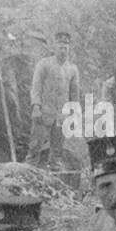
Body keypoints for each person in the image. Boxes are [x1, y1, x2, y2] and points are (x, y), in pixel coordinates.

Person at [28, 31, 81, 170]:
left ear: (69, 49)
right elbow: (36, 87)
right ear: (54, 47)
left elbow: (74, 95)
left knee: (57, 151)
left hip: (61, 116)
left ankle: (54, 175)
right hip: (44, 112)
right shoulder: (44, 64)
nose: (63, 50)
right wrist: (36, 106)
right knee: (35, 147)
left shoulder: (72, 69)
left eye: (65, 48)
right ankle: (27, 173)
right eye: (60, 47)